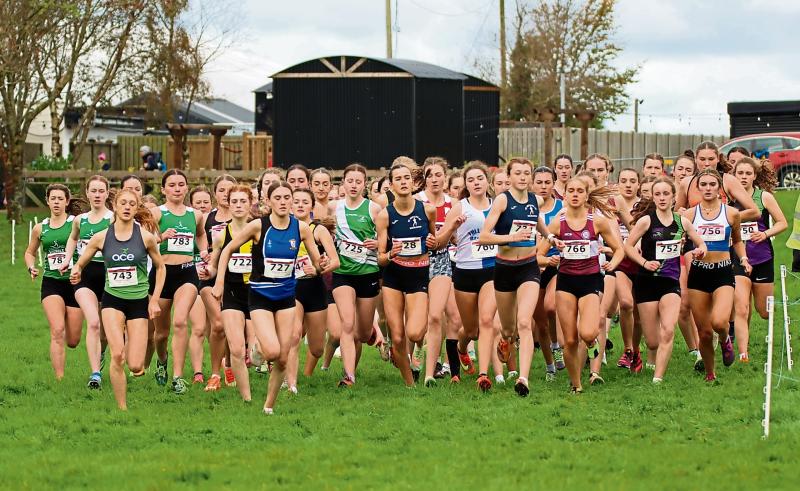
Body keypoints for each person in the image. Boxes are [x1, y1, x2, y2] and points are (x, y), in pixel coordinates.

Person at [212, 181, 322, 414]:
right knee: (272, 352)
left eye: (287, 197)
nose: (283, 202)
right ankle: (257, 352)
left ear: (292, 200)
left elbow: (318, 262)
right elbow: (228, 250)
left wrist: (322, 266)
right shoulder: (257, 226)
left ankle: (268, 406)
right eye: (278, 198)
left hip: (286, 297)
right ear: (268, 202)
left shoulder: (301, 229)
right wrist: (219, 281)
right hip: (260, 295)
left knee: (282, 358)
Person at [70, 189, 165, 410]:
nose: (127, 207)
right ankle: (122, 408)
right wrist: (76, 269)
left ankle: (133, 351)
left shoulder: (145, 237)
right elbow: (81, 262)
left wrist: (154, 300)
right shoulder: (102, 237)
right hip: (112, 299)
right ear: (115, 205)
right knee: (118, 355)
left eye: (132, 204)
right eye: (123, 203)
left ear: (137, 207)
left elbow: (160, 268)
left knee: (135, 364)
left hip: (139, 301)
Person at [479, 157, 559, 396]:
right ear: (510, 176)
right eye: (519, 173)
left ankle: (523, 378)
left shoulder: (536, 199)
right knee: (508, 329)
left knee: (525, 322)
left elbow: (538, 225)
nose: (523, 177)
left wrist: (552, 238)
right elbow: (484, 236)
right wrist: (510, 238)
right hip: (504, 268)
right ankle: (506, 341)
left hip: (528, 267)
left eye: (527, 173)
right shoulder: (503, 200)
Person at [625, 178, 707, 382]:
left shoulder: (682, 221)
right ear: (653, 197)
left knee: (668, 330)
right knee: (652, 341)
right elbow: (627, 246)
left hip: (670, 281)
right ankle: (647, 356)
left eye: (666, 194)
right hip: (647, 281)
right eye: (658, 194)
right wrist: (644, 263)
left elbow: (701, 243)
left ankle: (657, 379)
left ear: (673, 197)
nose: (662, 198)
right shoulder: (646, 221)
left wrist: (700, 250)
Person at [546, 176, 623, 393]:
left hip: (591, 279)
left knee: (588, 333)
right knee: (569, 340)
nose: (575, 194)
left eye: (580, 191)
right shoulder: (557, 223)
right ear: (566, 194)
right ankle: (576, 384)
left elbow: (619, 249)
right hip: (566, 281)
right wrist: (551, 258)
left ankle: (592, 345)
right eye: (571, 190)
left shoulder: (596, 221)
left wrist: (612, 265)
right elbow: (538, 254)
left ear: (587, 195)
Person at [439, 162, 500, 389]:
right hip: (464, 270)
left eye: (480, 179)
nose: (476, 183)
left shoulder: (497, 206)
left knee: (486, 321)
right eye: (471, 180)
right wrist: (452, 226)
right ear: (466, 184)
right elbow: (440, 241)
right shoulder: (459, 207)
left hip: (492, 270)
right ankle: (461, 348)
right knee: (471, 329)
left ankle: (483, 374)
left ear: (487, 182)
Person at [685, 169, 750, 382]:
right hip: (698, 274)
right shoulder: (689, 215)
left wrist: (743, 259)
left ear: (719, 187)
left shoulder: (731, 213)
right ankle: (710, 373)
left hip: (723, 271)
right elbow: (679, 240)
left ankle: (724, 339)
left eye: (712, 184)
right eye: (703, 184)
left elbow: (738, 240)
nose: (708, 188)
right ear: (697, 188)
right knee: (703, 332)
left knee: (720, 322)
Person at [376, 161, 437, 385]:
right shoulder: (385, 215)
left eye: (406, 178)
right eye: (398, 179)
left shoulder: (427, 209)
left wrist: (433, 242)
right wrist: (391, 253)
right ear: (391, 186)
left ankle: (419, 346)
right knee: (398, 336)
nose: (403, 182)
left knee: (414, 333)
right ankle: (409, 383)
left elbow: (435, 243)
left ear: (413, 183)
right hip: (394, 276)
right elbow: (380, 257)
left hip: (418, 274)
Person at [149, 170, 208, 394]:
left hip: (186, 273)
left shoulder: (195, 215)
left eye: (181, 184)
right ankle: (162, 360)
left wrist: (202, 251)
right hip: (162, 274)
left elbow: (201, 235)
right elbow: (144, 239)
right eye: (171, 185)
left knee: (181, 322)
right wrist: (161, 237)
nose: (177, 188)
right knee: (161, 333)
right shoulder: (156, 213)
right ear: (163, 189)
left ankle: (177, 377)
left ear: (186, 188)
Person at [329, 163, 382, 387]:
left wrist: (378, 243)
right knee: (347, 325)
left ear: (364, 185)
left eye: (358, 182)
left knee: (361, 332)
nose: (353, 185)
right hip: (342, 273)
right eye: (349, 181)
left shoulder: (374, 209)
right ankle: (349, 376)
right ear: (343, 183)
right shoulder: (334, 207)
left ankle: (370, 332)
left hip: (368, 272)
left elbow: (386, 240)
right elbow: (323, 234)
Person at [730, 157, 787, 361]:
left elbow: (782, 223)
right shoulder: (728, 199)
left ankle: (777, 339)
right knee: (741, 307)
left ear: (755, 176)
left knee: (763, 311)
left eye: (748, 174)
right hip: (738, 259)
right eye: (740, 173)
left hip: (762, 258)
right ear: (734, 175)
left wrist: (765, 234)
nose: (744, 177)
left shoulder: (764, 197)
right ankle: (743, 353)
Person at [25, 184, 84, 380]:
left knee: (73, 340)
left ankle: (66, 332)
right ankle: (59, 378)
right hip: (52, 283)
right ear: (47, 201)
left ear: (67, 202)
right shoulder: (40, 228)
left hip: (75, 283)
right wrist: (31, 266)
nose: (57, 202)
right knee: (57, 330)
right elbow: (29, 252)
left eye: (61, 198)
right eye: (53, 198)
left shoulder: (76, 222)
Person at [61, 175, 113, 389]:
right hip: (84, 275)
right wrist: (68, 260)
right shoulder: (79, 220)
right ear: (88, 193)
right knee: (92, 322)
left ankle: (100, 353)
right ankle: (95, 374)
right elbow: (73, 239)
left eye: (102, 191)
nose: (98, 195)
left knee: (106, 330)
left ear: (107, 193)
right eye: (94, 191)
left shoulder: (113, 218)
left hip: (110, 275)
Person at [205, 185, 256, 402]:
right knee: (236, 349)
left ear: (250, 202)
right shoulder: (220, 234)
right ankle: (247, 399)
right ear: (228, 203)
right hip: (233, 293)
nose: (238, 205)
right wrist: (209, 272)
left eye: (242, 201)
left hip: (257, 294)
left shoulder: (259, 230)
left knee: (255, 353)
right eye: (234, 201)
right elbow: (215, 266)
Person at [287, 188, 339, 391]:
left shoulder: (318, 230)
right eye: (296, 201)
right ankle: (290, 382)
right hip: (291, 287)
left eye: (304, 202)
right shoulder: (283, 228)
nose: (299, 205)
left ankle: (307, 373)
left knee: (316, 347)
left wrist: (319, 268)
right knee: (293, 335)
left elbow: (336, 262)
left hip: (315, 287)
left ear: (311, 206)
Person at [417, 157, 463, 385]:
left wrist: (454, 235)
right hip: (417, 263)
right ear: (423, 179)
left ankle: (449, 367)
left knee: (453, 316)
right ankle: (414, 355)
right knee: (419, 322)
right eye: (429, 175)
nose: (434, 179)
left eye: (438, 175)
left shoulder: (454, 204)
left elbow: (451, 239)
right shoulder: (416, 201)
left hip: (447, 262)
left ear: (445, 177)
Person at [197, 176, 237, 390]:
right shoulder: (205, 219)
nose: (225, 194)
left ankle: (229, 364)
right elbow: (196, 243)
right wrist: (204, 254)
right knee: (219, 325)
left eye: (230, 190)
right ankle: (215, 373)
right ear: (215, 193)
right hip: (210, 277)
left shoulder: (244, 219)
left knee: (232, 326)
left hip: (235, 278)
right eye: (221, 190)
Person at [532, 166, 563, 380]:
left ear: (553, 183)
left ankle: (556, 344)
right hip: (531, 266)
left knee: (551, 306)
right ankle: (550, 365)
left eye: (547, 182)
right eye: (539, 182)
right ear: (532, 184)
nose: (543, 186)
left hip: (556, 264)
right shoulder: (525, 208)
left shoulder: (562, 207)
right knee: (539, 321)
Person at [188, 186, 213, 386]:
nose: (203, 206)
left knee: (216, 328)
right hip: (193, 282)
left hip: (213, 281)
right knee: (198, 328)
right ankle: (197, 372)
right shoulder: (187, 223)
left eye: (206, 202)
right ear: (192, 205)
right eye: (198, 202)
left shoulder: (216, 224)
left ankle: (219, 368)